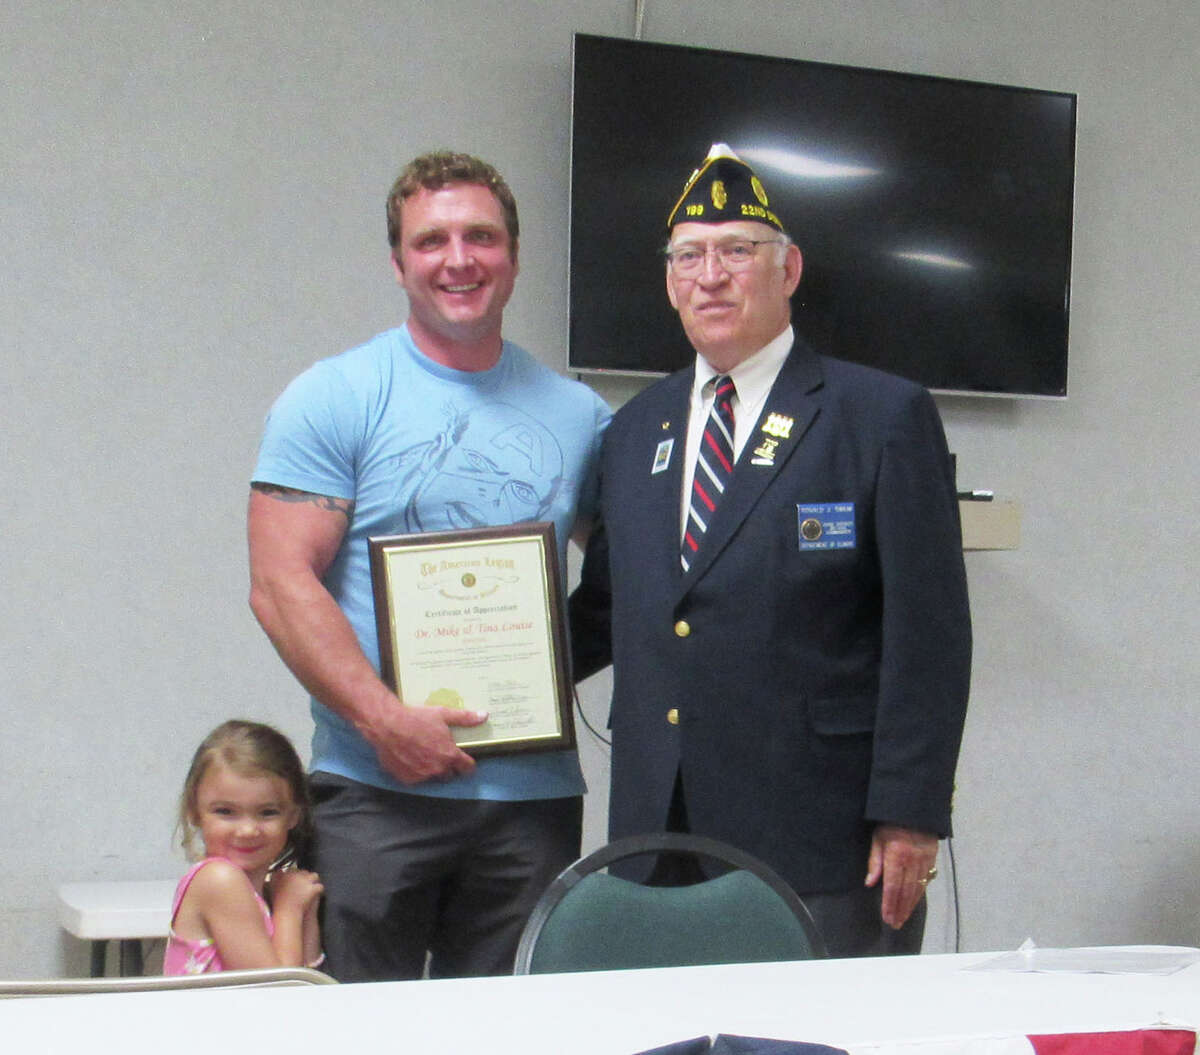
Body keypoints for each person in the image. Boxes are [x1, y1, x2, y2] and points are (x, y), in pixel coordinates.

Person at [569, 144, 972, 957]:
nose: (710, 274)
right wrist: (475, 685)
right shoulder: (632, 430)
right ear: (669, 280)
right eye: (689, 256)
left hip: (824, 839)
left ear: (788, 269)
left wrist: (912, 811)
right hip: (658, 833)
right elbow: (612, 607)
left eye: (736, 251)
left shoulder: (879, 416)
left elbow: (929, 634)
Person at [247, 151, 610, 980]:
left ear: (513, 256)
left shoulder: (579, 413)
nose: (458, 259)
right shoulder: (334, 395)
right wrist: (383, 720)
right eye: (431, 240)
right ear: (398, 261)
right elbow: (279, 585)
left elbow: (643, 575)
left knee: (513, 1037)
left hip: (532, 801)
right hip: (374, 794)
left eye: (480, 236)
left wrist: (554, 669)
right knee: (363, 1031)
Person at [166, 720, 323, 975]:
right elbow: (277, 990)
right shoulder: (219, 880)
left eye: (267, 812)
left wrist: (303, 910)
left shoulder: (277, 889)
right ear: (194, 811)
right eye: (226, 811)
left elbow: (313, 983)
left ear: (294, 815)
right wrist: (290, 910)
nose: (248, 830)